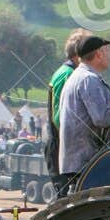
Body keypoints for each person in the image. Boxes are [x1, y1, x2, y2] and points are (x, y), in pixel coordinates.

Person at [58, 35, 110, 178]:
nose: (109, 56)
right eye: (106, 52)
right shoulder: (89, 79)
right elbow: (101, 119)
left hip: (75, 161)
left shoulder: (77, 77)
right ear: (99, 54)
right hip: (86, 160)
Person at [47, 28, 90, 192]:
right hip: (61, 145)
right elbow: (60, 117)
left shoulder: (68, 72)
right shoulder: (68, 75)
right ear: (79, 55)